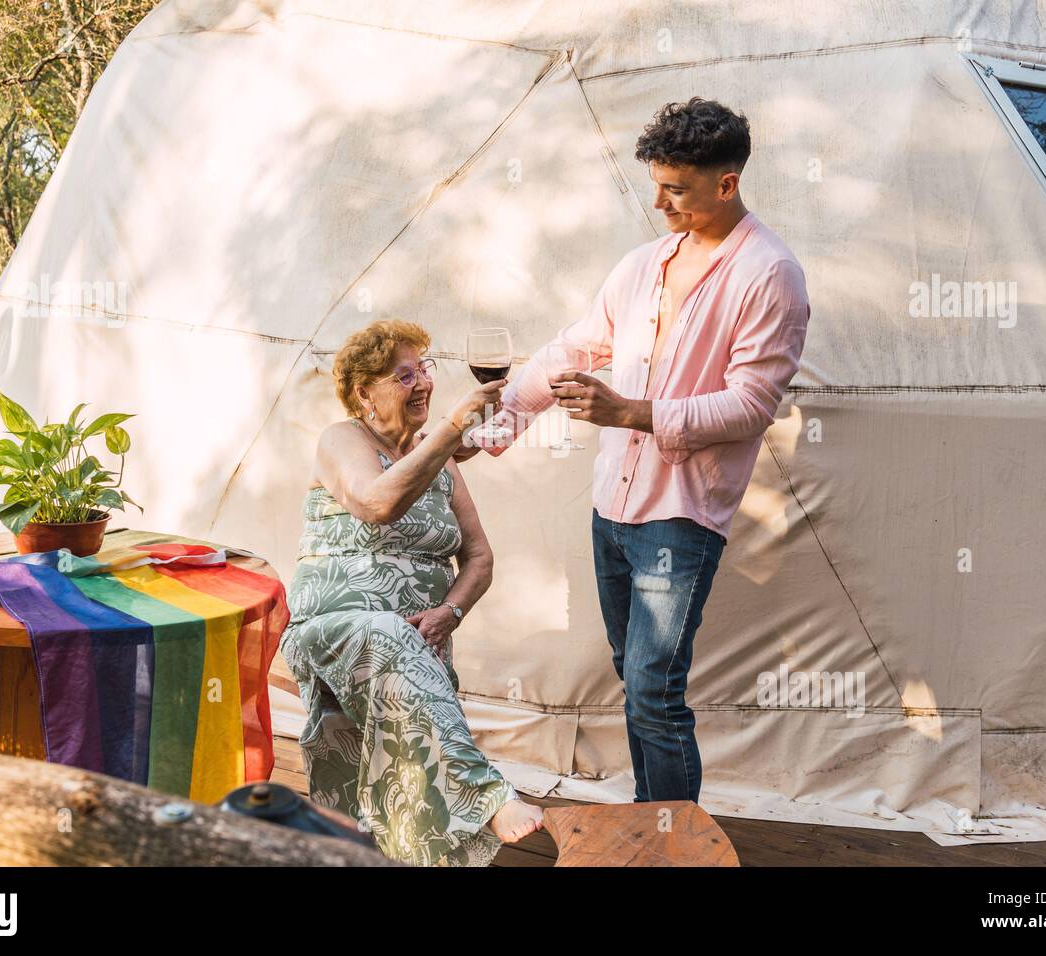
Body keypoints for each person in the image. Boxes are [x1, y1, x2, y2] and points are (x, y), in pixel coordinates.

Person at [463, 97, 812, 803]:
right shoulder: (644, 264)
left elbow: (751, 406)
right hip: (611, 506)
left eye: (675, 189)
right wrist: (494, 428)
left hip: (679, 516)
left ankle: (672, 834)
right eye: (656, 185)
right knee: (636, 673)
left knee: (655, 689)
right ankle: (652, 825)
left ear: (727, 183)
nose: (658, 203)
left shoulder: (770, 274)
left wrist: (631, 411)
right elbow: (574, 347)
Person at [279, 319, 543, 866]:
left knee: (399, 766)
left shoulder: (439, 461)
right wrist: (452, 428)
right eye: (404, 376)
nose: (423, 382)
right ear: (363, 392)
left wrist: (452, 609)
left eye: (424, 369)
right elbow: (378, 503)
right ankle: (482, 792)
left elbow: (479, 557)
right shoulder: (343, 440)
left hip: (415, 643)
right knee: (383, 631)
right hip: (333, 628)